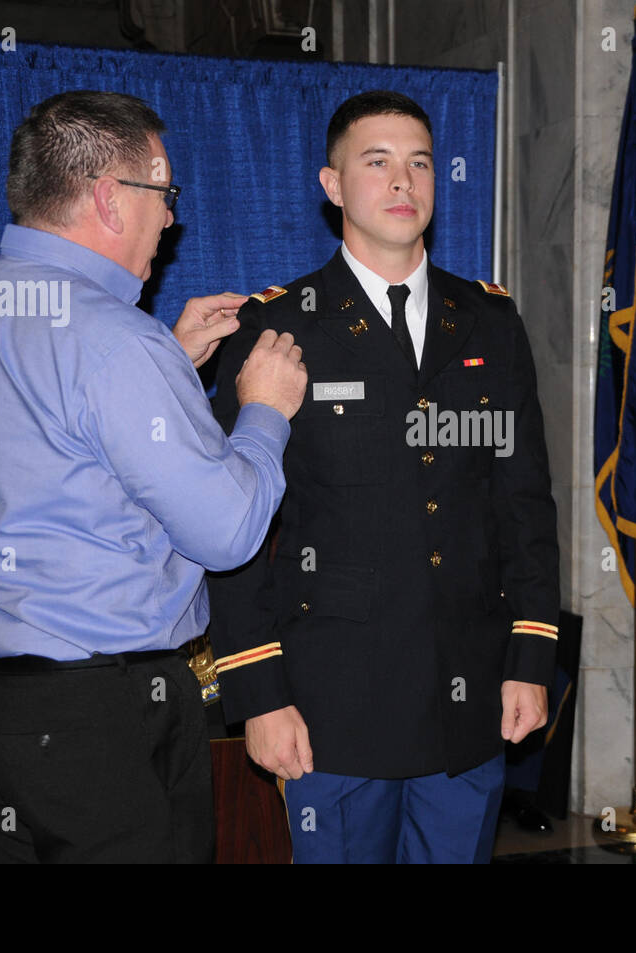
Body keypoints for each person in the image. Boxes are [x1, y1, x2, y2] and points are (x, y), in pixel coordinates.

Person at [0, 90, 307, 863]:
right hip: (91, 712)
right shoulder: (114, 342)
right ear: (108, 197)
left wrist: (165, 358)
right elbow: (227, 532)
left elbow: (50, 449)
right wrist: (265, 413)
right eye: (165, 195)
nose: (171, 218)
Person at [208, 90, 561, 863]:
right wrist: (259, 693)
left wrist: (532, 657)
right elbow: (231, 528)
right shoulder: (279, 327)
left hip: (469, 702)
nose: (404, 182)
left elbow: (524, 504)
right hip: (333, 707)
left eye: (420, 163)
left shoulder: (491, 321)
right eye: (378, 163)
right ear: (331, 185)